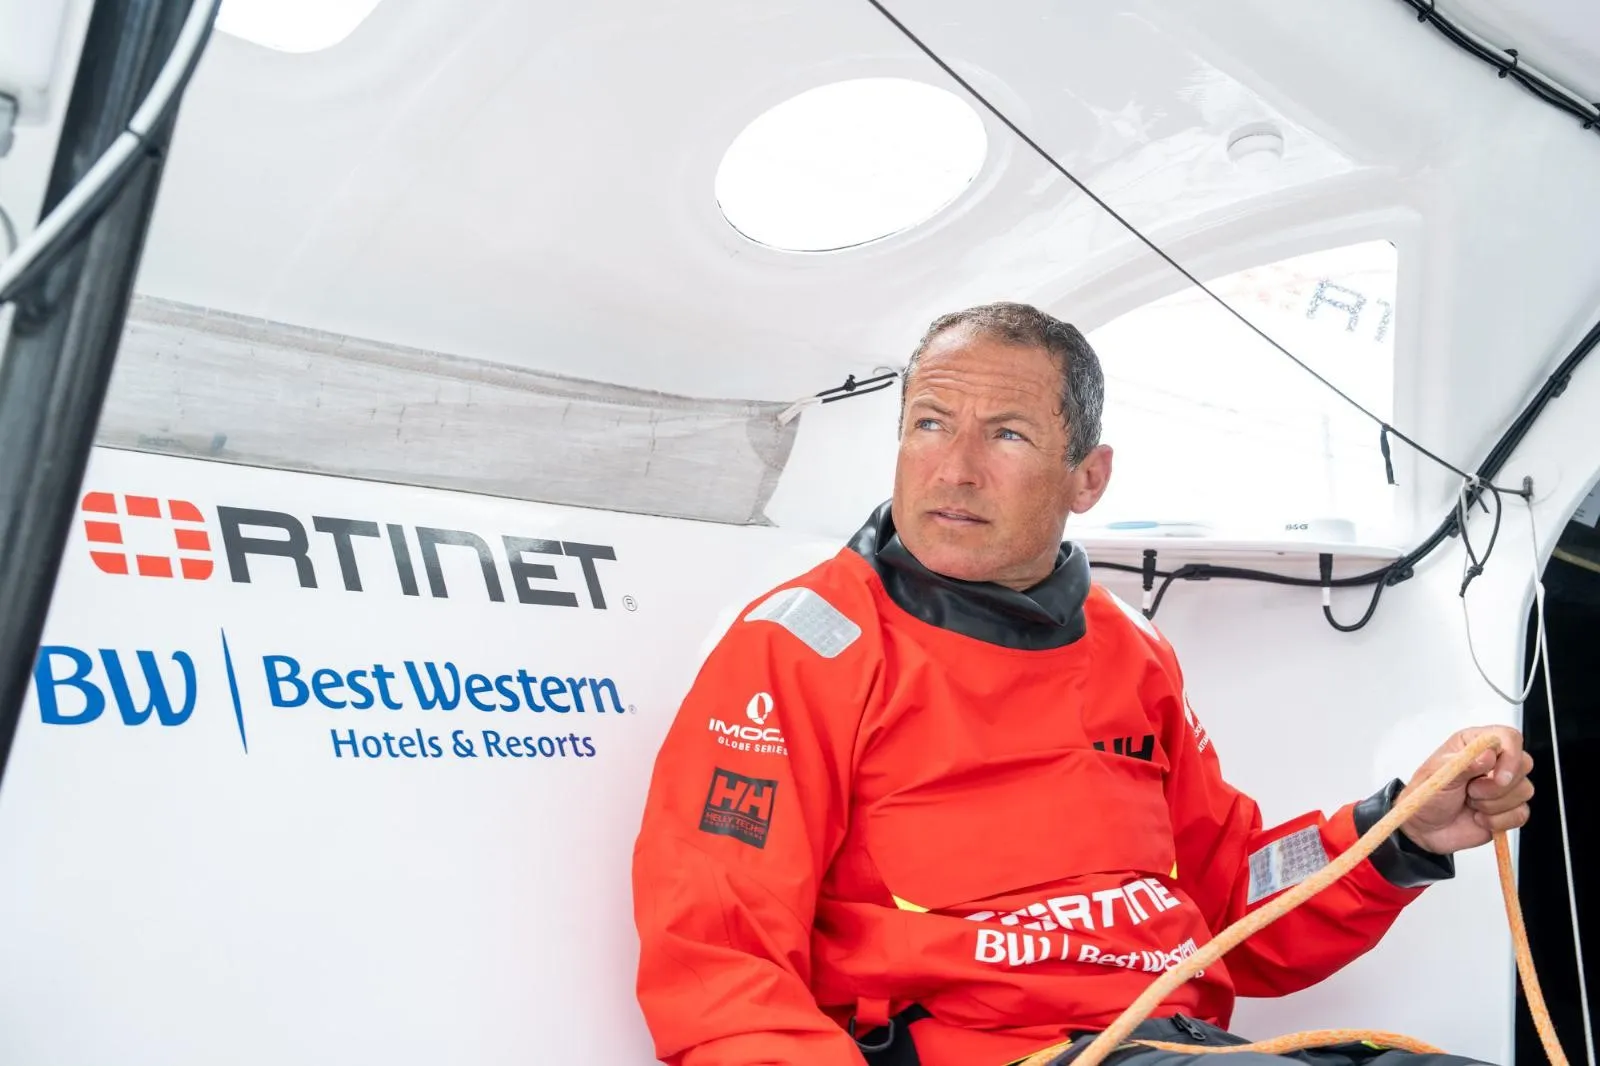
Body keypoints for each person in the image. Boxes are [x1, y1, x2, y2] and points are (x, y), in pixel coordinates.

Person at [629, 302, 1534, 1066]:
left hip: (1175, 1048)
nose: (956, 468)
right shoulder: (804, 646)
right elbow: (718, 959)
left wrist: (1396, 834)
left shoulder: (1131, 650)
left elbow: (1233, 898)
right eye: (930, 423)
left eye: (1008, 435)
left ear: (1089, 477)